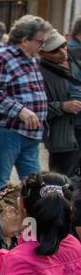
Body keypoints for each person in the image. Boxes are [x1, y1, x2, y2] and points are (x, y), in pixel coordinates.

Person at [0, 15, 48, 211]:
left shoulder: (32, 60)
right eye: (39, 41)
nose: (41, 46)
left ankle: (30, 229)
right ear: (25, 40)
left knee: (34, 185)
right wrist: (20, 110)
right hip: (7, 131)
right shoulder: (2, 58)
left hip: (32, 134)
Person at [39, 27, 81, 177]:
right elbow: (36, 109)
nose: (63, 52)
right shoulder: (39, 72)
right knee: (62, 183)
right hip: (63, 138)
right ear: (42, 53)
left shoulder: (76, 60)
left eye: (64, 46)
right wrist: (63, 106)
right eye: (55, 50)